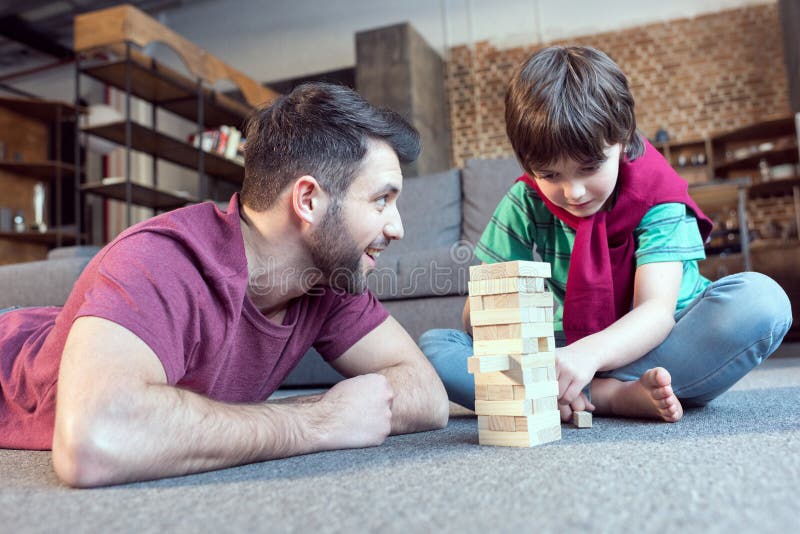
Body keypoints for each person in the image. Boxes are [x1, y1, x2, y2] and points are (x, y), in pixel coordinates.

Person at [0, 82, 449, 487]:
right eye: (381, 200)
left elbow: (428, 396)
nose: (398, 228)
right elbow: (94, 441)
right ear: (308, 200)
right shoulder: (161, 259)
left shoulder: (327, 279)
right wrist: (317, 422)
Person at [420, 45, 791, 425]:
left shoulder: (657, 196)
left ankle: (573, 392)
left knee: (763, 302)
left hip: (662, 339)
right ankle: (609, 395)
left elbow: (655, 313)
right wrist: (499, 310)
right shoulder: (525, 199)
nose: (573, 192)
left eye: (589, 167)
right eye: (550, 175)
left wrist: (587, 357)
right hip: (564, 348)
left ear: (622, 138)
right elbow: (474, 320)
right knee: (436, 348)